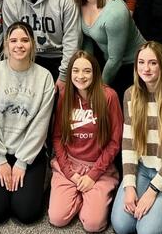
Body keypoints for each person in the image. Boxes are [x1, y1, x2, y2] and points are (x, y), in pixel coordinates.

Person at [111, 41, 162, 234]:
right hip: (142, 167)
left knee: (147, 231)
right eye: (141, 62)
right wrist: (129, 186)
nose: (145, 68)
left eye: (153, 63)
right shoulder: (130, 94)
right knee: (122, 226)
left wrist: (152, 191)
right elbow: (129, 144)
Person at [0, 21, 55, 225]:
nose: (19, 45)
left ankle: (38, 180)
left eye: (24, 40)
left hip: (29, 152)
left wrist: (22, 162)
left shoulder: (45, 77)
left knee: (26, 213)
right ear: (6, 45)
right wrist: (0, 160)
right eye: (13, 40)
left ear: (32, 45)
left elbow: (40, 125)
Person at [48, 50, 123, 232]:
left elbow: (115, 141)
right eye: (76, 70)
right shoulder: (65, 95)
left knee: (93, 224)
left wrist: (92, 176)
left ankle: (91, 198)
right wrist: (70, 173)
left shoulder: (109, 96)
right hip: (70, 165)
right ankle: (80, 195)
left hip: (98, 167)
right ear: (70, 73)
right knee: (57, 218)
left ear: (95, 72)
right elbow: (57, 137)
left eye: (87, 71)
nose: (80, 76)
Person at [2, 0, 81, 89]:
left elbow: (72, 39)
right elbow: (10, 40)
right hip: (27, 57)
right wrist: (15, 71)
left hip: (59, 57)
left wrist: (63, 76)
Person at [72, 0, 145, 105]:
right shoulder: (79, 1)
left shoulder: (115, 12)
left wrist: (97, 88)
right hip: (108, 62)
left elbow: (115, 60)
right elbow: (87, 38)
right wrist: (87, 67)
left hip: (132, 66)